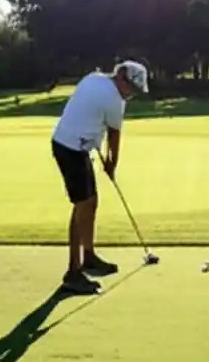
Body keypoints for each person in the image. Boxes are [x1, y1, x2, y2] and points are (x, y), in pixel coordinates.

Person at [50, 60, 148, 294]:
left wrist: (100, 150)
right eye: (132, 89)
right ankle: (73, 273)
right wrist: (112, 164)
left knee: (90, 202)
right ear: (122, 78)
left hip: (70, 144)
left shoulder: (94, 79)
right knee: (83, 205)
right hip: (71, 149)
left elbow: (91, 117)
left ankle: (89, 257)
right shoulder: (115, 99)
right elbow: (114, 135)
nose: (131, 96)